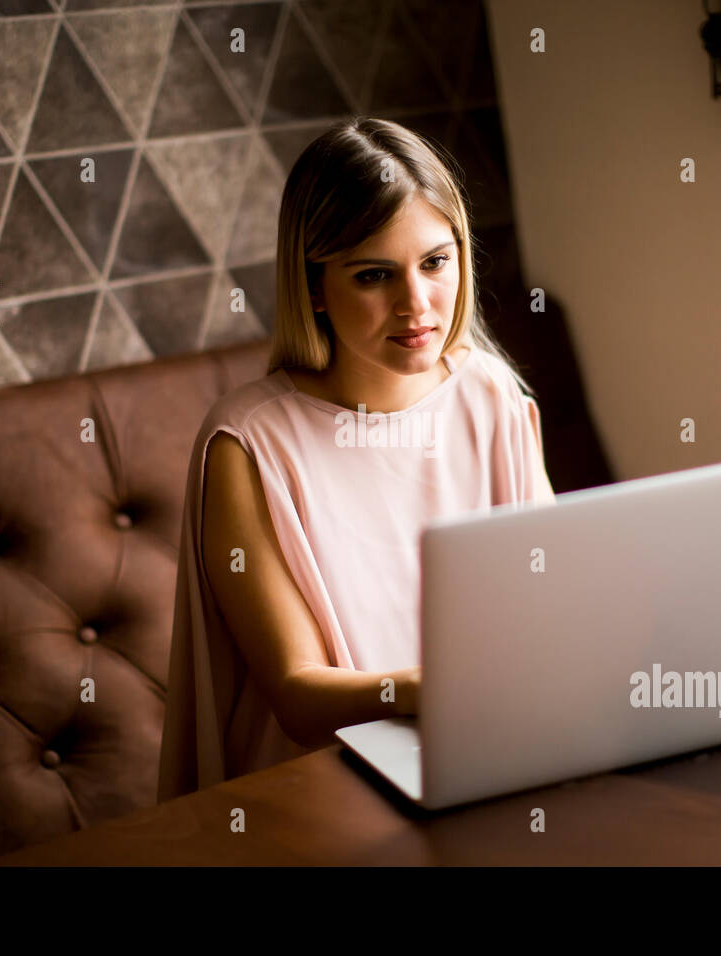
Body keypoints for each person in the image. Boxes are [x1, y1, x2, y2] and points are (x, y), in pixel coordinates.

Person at [156, 117, 555, 801]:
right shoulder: (247, 446)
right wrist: (434, 689)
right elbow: (297, 695)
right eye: (374, 275)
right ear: (313, 287)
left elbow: (556, 600)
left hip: (476, 755)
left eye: (435, 262)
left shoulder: (491, 395)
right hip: (318, 791)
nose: (416, 304)